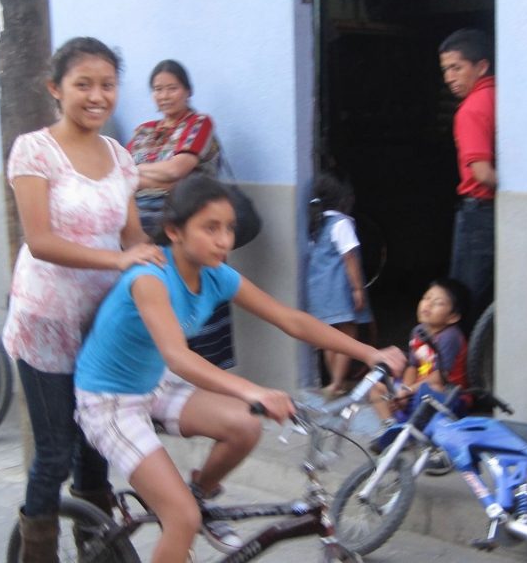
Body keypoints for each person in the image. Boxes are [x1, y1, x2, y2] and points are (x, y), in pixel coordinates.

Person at [74, 177, 405, 563]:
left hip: (154, 382)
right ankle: (189, 512)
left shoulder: (215, 275)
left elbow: (289, 319)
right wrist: (254, 391)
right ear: (174, 231)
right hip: (110, 399)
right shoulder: (150, 277)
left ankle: (200, 493)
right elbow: (178, 356)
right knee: (181, 519)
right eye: (210, 228)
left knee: (245, 426)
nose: (224, 241)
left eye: (229, 228)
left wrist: (369, 353)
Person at [3, 36, 165, 562]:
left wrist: (169, 262)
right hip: (46, 321)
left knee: (96, 450)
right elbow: (40, 241)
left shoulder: (120, 157)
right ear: (56, 88)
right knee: (54, 453)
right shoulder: (34, 150)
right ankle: (38, 554)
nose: (98, 96)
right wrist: (119, 261)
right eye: (84, 84)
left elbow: (132, 237)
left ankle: (96, 551)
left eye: (108, 85)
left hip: (103, 325)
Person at [126, 59, 235, 369]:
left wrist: (136, 173)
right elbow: (118, 170)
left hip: (190, 227)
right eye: (157, 89)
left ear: (187, 90)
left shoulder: (199, 125)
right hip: (144, 234)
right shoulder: (144, 131)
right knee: (159, 300)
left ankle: (210, 375)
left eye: (171, 88)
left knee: (198, 296)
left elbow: (177, 170)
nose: (164, 95)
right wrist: (151, 176)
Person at [440, 28, 496, 330]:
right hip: (496, 213)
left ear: (481, 66)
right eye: (446, 70)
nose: (449, 77)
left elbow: (482, 173)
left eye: (456, 68)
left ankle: (455, 358)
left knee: (461, 298)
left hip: (479, 213)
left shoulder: (472, 108)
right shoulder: (503, 96)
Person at [369, 278, 470, 431]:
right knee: (376, 385)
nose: (428, 304)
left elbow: (440, 377)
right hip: (417, 389)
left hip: (448, 396)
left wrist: (408, 391)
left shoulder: (450, 336)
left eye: (438, 303)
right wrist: (404, 389)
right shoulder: (418, 331)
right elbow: (412, 366)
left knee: (431, 389)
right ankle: (391, 427)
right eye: (426, 298)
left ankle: (416, 429)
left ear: (453, 317)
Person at [305, 173, 374, 397]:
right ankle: (336, 382)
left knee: (329, 338)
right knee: (347, 335)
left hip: (318, 290)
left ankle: (333, 382)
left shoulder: (315, 224)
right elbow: (349, 257)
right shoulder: (342, 223)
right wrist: (357, 288)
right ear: (344, 199)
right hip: (339, 289)